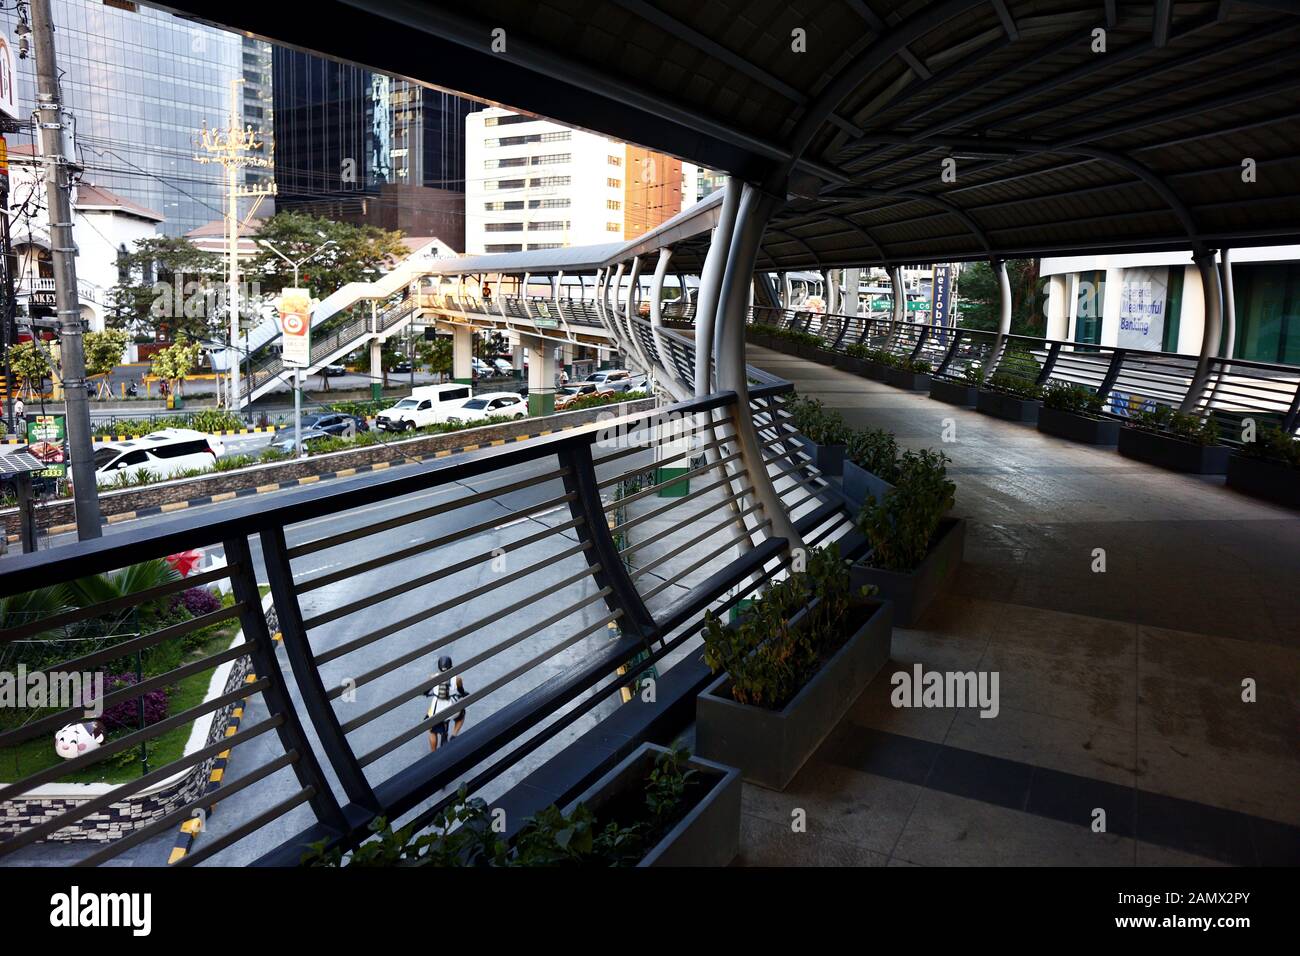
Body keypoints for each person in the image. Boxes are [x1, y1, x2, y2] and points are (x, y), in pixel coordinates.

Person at [424, 655, 467, 752]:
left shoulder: (432, 677)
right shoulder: (457, 679)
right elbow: (461, 690)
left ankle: (433, 752)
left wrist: (426, 693)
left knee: (431, 730)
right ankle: (454, 735)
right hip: (452, 709)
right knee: (461, 714)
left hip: (436, 711)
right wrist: (463, 694)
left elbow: (425, 690)